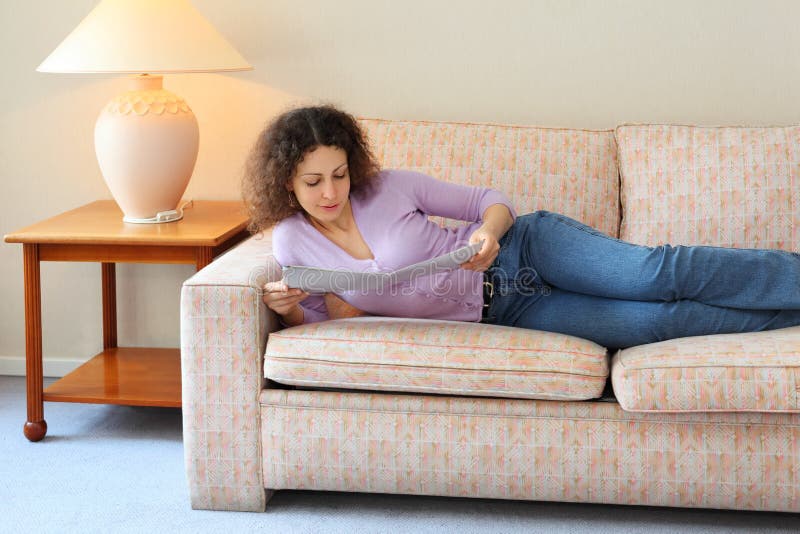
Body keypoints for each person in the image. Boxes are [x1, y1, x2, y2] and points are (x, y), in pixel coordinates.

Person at [242, 104, 800, 349]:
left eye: (338, 174)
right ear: (286, 183)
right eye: (313, 182)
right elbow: (315, 319)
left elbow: (491, 200)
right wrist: (289, 305)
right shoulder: (293, 242)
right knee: (657, 324)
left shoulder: (386, 186)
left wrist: (487, 232)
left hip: (527, 252)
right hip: (509, 309)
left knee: (658, 274)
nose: (331, 192)